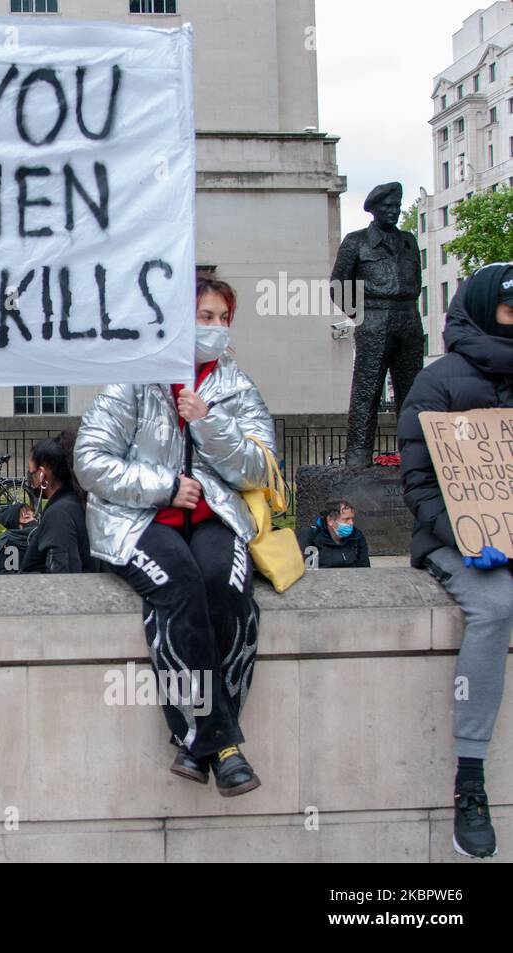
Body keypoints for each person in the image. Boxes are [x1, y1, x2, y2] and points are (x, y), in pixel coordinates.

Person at [75, 276, 275, 797]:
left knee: (228, 588)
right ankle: (221, 743)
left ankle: (196, 744)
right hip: (137, 522)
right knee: (180, 585)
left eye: (222, 319)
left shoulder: (237, 385)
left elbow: (260, 469)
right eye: (204, 317)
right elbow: (90, 461)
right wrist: (163, 487)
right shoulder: (132, 379)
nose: (214, 328)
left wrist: (209, 424)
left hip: (214, 520)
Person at [398, 262, 513, 859]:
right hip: (456, 541)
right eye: (509, 310)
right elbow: (417, 486)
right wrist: (467, 534)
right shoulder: (436, 382)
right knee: (495, 607)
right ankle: (470, 780)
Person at [330, 181, 425, 469]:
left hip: (408, 317)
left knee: (413, 392)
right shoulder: (356, 241)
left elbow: (416, 283)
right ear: (374, 210)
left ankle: (416, 455)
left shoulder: (409, 241)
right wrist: (363, 315)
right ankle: (358, 455)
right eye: (387, 206)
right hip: (374, 318)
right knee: (367, 390)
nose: (393, 211)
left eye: (397, 206)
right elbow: (338, 285)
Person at [21, 432, 96, 574]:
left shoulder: (59, 514)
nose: (30, 477)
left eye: (31, 471)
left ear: (42, 474)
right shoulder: (80, 502)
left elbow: (61, 575)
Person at [298, 499, 370, 569]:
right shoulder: (309, 536)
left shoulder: (356, 536)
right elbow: (298, 569)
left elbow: (364, 569)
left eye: (352, 518)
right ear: (330, 520)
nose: (351, 523)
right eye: (346, 519)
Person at [0, 502, 37, 574]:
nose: (34, 520)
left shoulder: (40, 539)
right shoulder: (3, 543)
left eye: (34, 517)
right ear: (14, 522)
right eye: (27, 517)